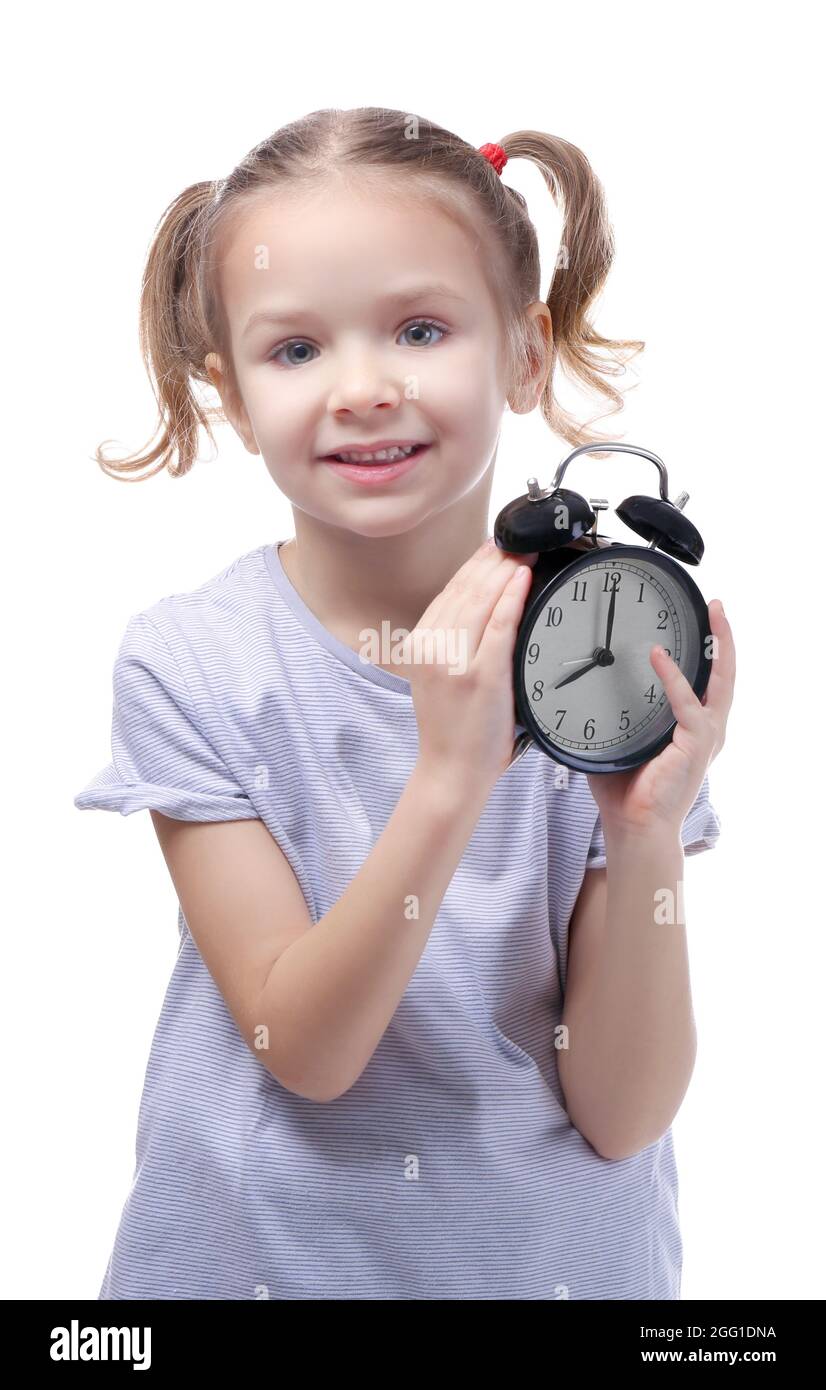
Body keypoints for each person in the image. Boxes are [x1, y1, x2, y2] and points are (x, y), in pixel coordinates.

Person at [74, 107, 736, 1300]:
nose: (363, 388)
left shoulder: (609, 651)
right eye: (295, 350)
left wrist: (642, 834)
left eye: (419, 329)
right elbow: (306, 1052)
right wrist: (447, 777)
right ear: (227, 392)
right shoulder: (194, 665)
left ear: (524, 354)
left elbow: (624, 1109)